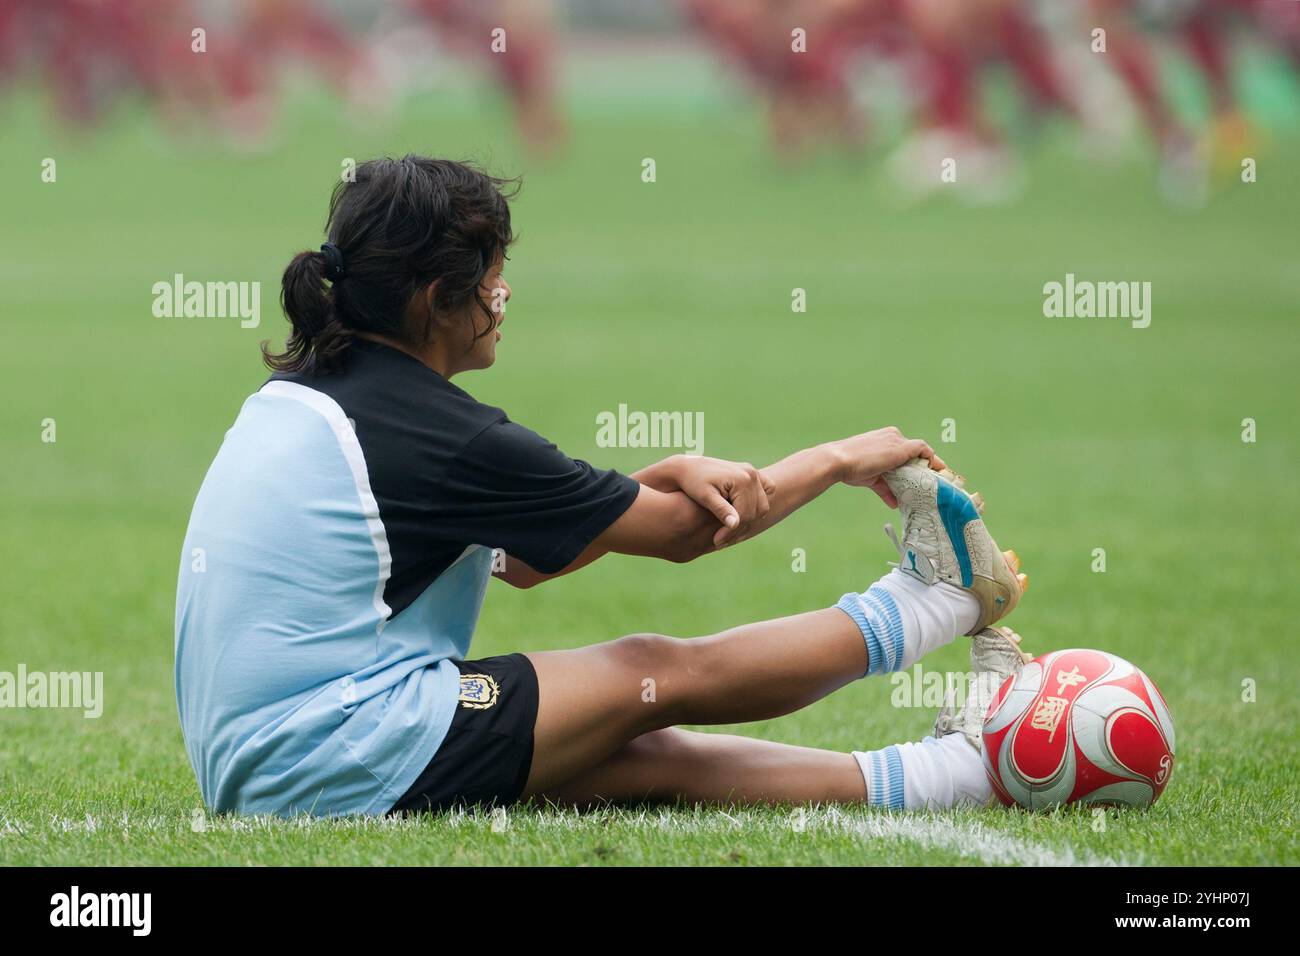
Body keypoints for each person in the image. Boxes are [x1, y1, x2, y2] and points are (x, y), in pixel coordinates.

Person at [174, 156, 1029, 817]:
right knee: (649, 673)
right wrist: (845, 456)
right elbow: (688, 535)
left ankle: (952, 776)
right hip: (326, 751)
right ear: (439, 298)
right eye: (493, 278)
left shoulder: (323, 391)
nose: (504, 298)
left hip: (264, 762)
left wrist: (657, 474)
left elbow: (526, 563)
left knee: (627, 760)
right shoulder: (441, 433)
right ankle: (943, 599)